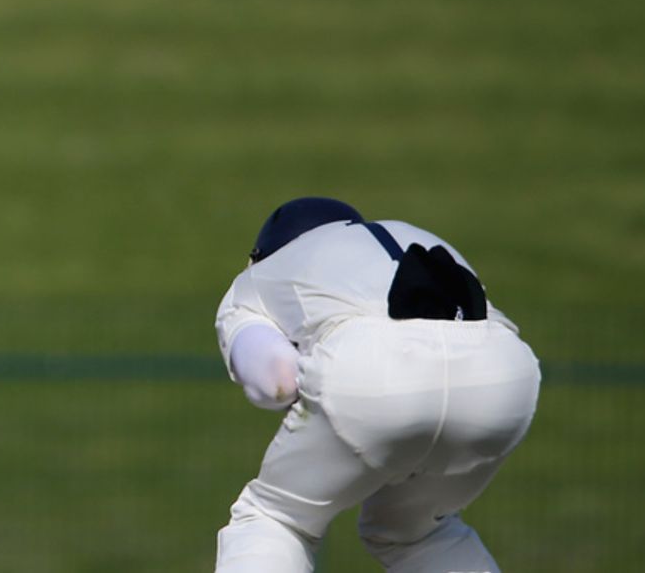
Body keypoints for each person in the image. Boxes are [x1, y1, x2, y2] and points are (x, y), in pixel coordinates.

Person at [212, 197, 540, 573]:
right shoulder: (409, 235)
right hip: (502, 377)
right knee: (416, 533)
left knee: (275, 517)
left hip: (370, 372)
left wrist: (320, 393)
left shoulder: (260, 277)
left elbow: (276, 383)